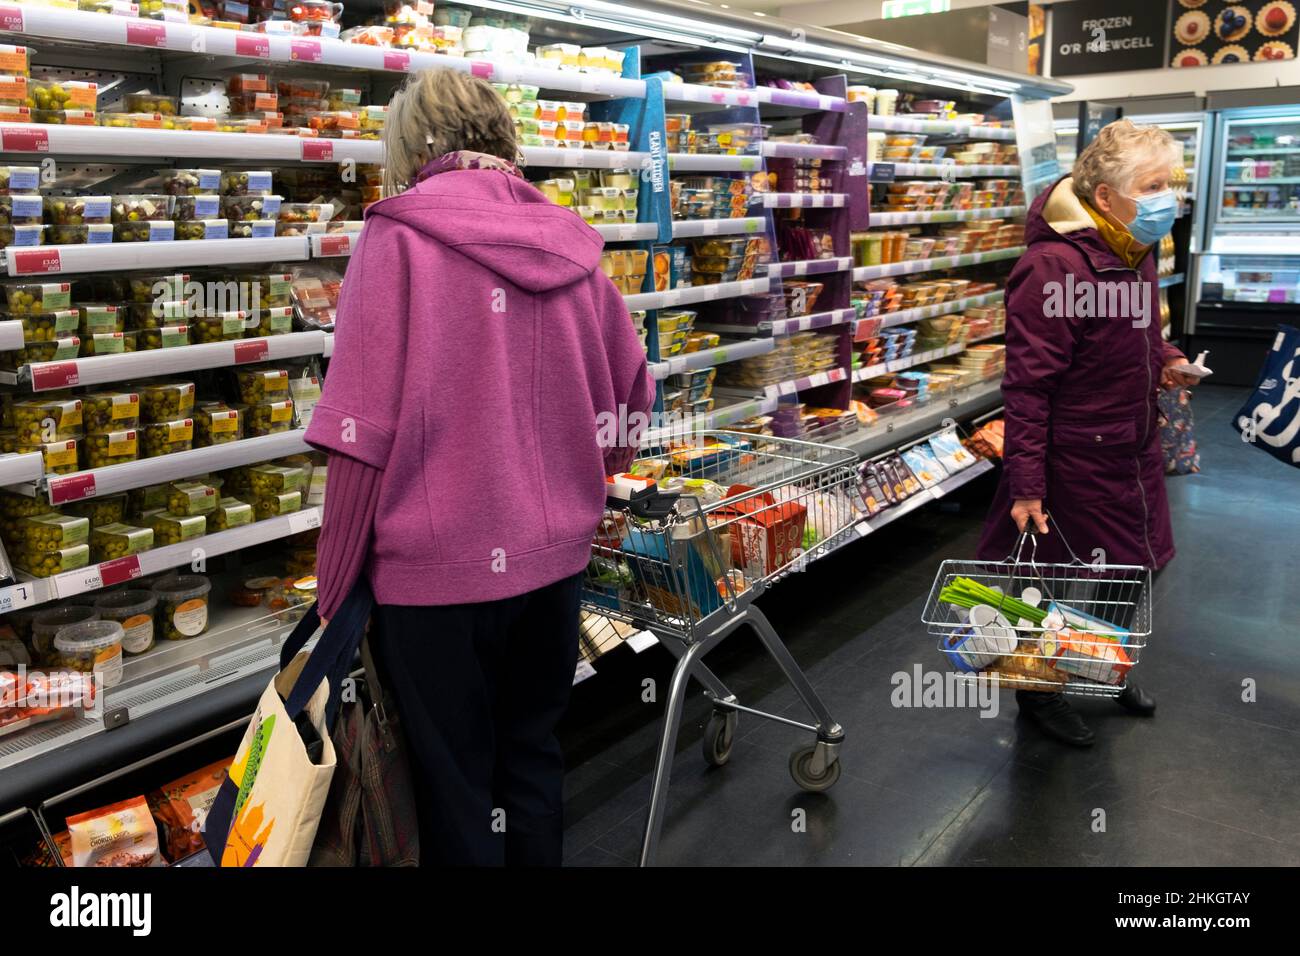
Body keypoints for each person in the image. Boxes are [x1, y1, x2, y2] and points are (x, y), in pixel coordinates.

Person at [304, 68, 655, 865]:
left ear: (413, 145)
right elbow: (633, 399)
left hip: (435, 581)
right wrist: (577, 470)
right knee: (531, 753)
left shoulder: (396, 241)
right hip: (555, 565)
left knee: (453, 782)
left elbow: (360, 435)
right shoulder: (574, 243)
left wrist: (334, 589)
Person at [976, 119, 1197, 747]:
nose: (1169, 199)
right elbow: (1027, 387)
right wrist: (1026, 486)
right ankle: (1040, 696)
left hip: (1134, 448)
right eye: (1153, 186)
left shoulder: (1134, 249)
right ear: (1105, 196)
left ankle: (1098, 663)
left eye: (1170, 184)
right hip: (1073, 460)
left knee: (1136, 570)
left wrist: (1168, 361)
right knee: (1062, 585)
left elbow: (1141, 336)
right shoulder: (1052, 267)